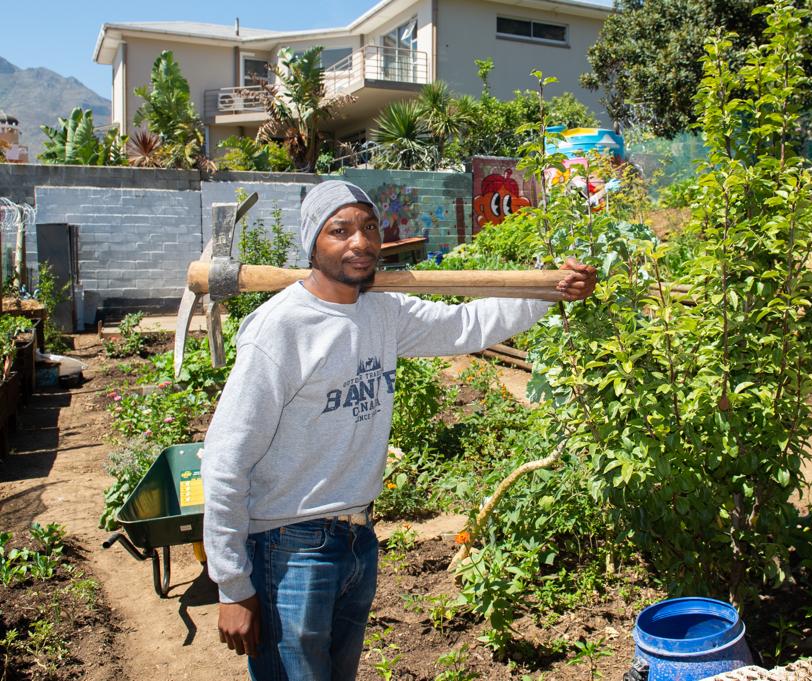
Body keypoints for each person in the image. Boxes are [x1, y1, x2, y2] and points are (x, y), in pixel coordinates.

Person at [201, 180, 597, 681]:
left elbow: (465, 326)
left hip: (357, 539)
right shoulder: (280, 329)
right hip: (287, 547)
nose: (360, 242)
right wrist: (233, 586)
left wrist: (547, 290)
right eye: (340, 230)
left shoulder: (383, 311)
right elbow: (226, 459)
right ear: (312, 244)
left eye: (369, 227)